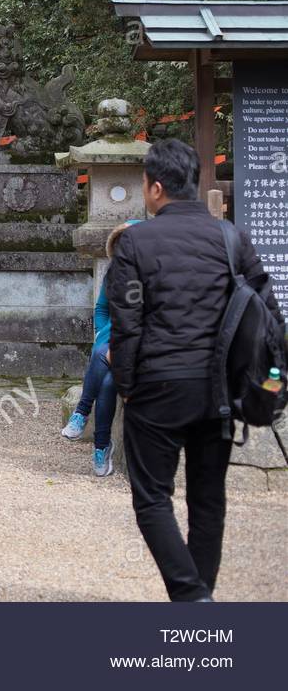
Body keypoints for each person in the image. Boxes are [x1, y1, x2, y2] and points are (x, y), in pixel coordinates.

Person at [107, 138, 283, 601]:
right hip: (219, 391)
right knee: (208, 501)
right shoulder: (231, 237)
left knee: (152, 499)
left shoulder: (135, 243)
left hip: (158, 388)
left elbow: (127, 325)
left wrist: (126, 386)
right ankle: (200, 596)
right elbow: (270, 318)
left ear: (156, 187)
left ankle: (191, 598)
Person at [61, 220, 138, 475]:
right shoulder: (114, 272)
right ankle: (101, 447)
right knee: (104, 376)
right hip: (113, 339)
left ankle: (83, 413)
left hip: (141, 345)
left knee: (102, 364)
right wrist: (101, 335)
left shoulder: (155, 275)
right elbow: (102, 308)